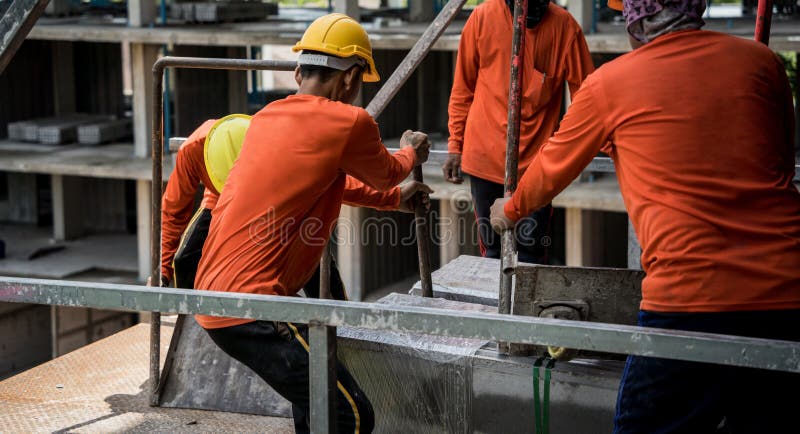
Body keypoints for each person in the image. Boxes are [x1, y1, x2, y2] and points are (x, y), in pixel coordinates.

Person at [490, 0, 800, 432]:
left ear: (635, 20)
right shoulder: (762, 62)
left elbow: (551, 169)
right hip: (787, 298)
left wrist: (508, 209)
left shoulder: (611, 84)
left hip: (689, 302)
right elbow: (782, 162)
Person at [193, 13, 432, 433]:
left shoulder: (267, 117)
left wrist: (394, 200)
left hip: (217, 300)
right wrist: (412, 153)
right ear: (351, 77)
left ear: (300, 71)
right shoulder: (349, 122)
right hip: (253, 308)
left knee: (316, 407)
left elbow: (328, 182)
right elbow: (386, 171)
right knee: (351, 415)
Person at [443, 0, 594, 263]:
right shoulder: (481, 18)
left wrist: (567, 152)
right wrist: (456, 145)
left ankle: (522, 304)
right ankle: (497, 306)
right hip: (484, 159)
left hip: (535, 169)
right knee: (491, 253)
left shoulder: (565, 28)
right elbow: (462, 89)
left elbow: (587, 101)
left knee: (530, 254)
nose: (530, 11)